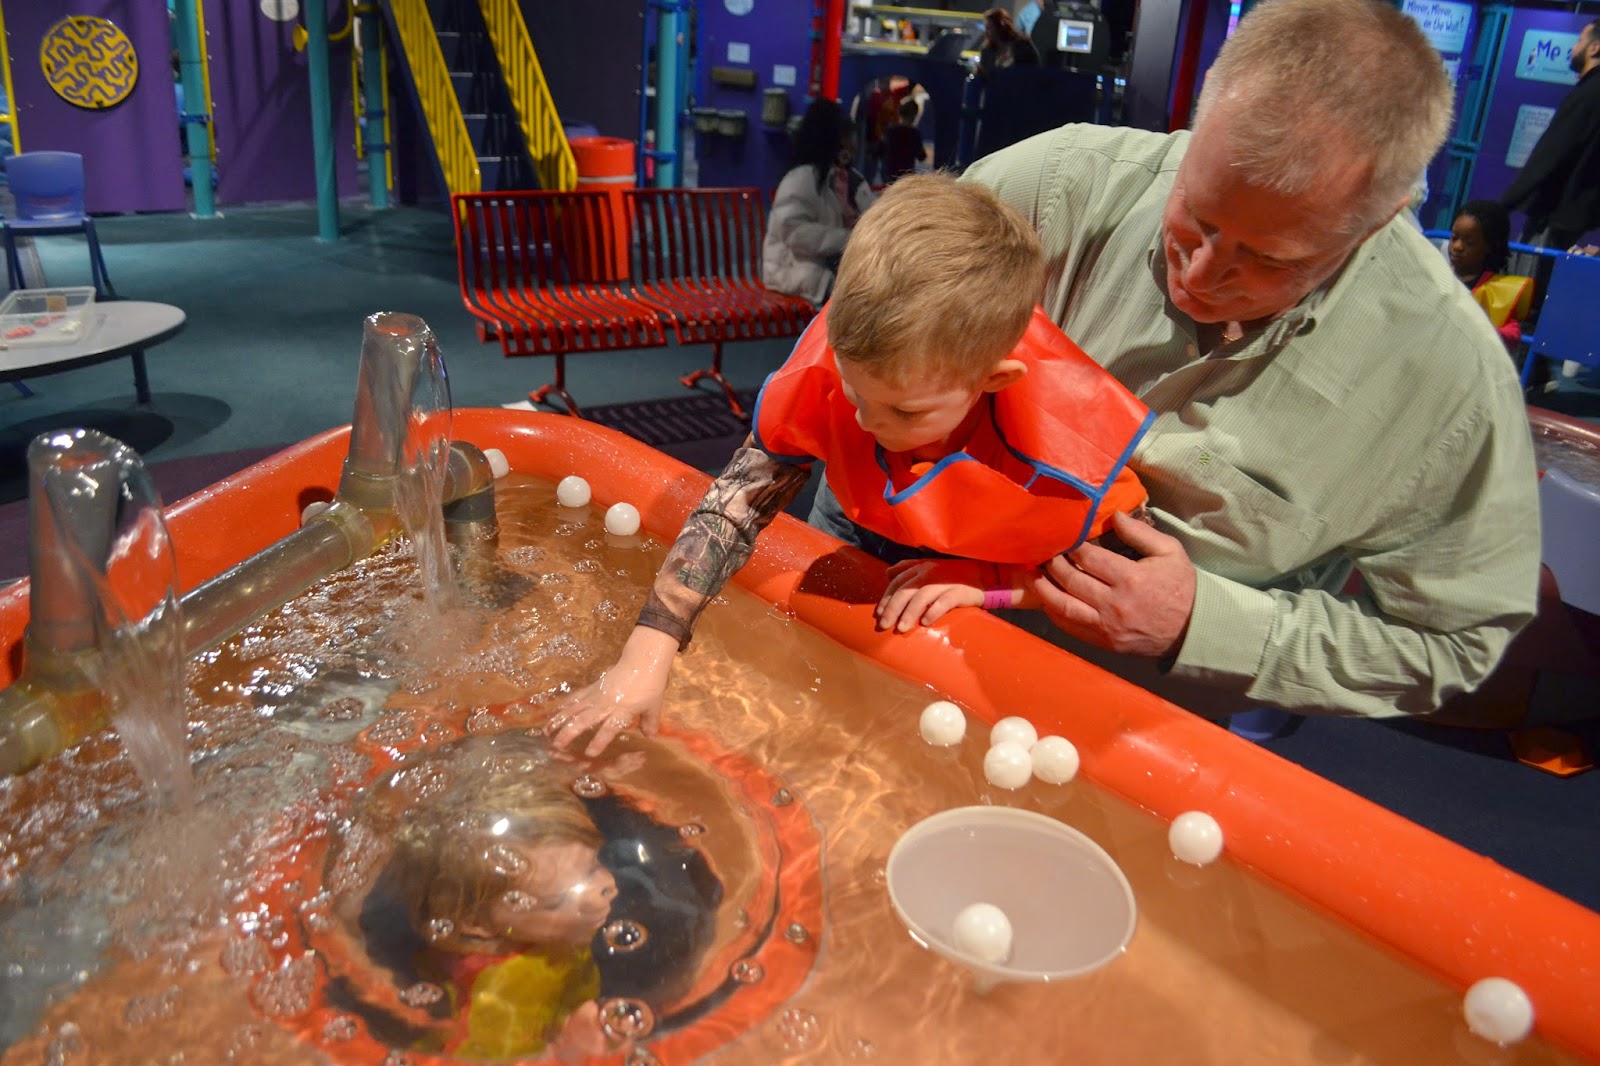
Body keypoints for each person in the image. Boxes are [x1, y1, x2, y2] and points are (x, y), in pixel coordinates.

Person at [962, 0, 1541, 722]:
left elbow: (1453, 645)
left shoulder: (1449, 383)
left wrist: (1205, 625)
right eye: (1195, 216)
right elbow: (852, 351)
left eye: (1267, 258)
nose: (1199, 273)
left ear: (1378, 220)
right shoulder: (1055, 186)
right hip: (927, 609)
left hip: (1138, 716)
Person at [550, 174, 1153, 756]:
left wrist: (993, 585)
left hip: (989, 556)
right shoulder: (850, 364)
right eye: (852, 389)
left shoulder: (1064, 443)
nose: (865, 421)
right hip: (866, 512)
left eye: (903, 409)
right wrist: (645, 655)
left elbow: (1112, 570)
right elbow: (737, 501)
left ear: (993, 381)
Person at [382, 740, 619, 1060]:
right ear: (477, 924)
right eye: (558, 900)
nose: (604, 891)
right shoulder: (508, 989)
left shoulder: (534, 937)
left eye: (594, 866)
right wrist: (567, 1055)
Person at [762, 98, 875, 305]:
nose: (854, 145)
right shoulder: (803, 178)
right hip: (794, 269)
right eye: (847, 137)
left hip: (827, 268)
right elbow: (795, 232)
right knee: (861, 302)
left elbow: (872, 218)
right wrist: (849, 239)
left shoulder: (849, 179)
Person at [1500, 19, 1600, 251]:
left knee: (1530, 277)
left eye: (1579, 41)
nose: (1573, 48)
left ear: (1595, 48)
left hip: (1554, 215)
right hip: (1578, 217)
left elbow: (1553, 151)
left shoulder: (1588, 94)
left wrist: (1505, 203)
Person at [1448, 199, 1533, 352]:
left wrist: (1486, 333)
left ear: (1490, 246)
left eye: (1469, 242)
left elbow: (1512, 335)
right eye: (1454, 238)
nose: (1457, 246)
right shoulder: (1436, 273)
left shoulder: (1499, 291)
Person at [977, 8, 1039, 77]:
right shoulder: (987, 51)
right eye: (986, 28)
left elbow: (1034, 69)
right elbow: (985, 76)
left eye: (989, 27)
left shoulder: (1023, 46)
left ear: (1000, 26)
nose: (986, 32)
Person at [878, 97, 927, 184]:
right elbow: (922, 156)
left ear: (899, 113)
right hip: (906, 177)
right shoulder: (914, 133)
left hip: (888, 174)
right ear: (915, 115)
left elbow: (879, 151)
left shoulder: (890, 131)